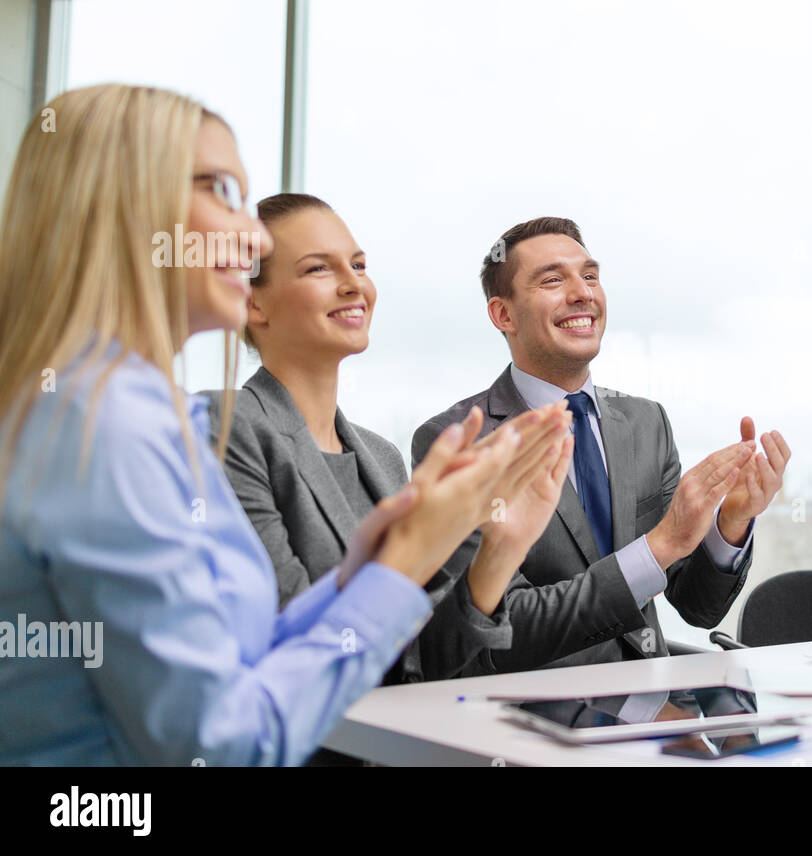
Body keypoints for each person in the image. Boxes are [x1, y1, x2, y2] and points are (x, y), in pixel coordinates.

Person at [0, 84, 567, 765]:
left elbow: (247, 657)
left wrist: (377, 566)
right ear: (120, 206)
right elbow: (225, 741)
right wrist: (408, 558)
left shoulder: (139, 412)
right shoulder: (105, 427)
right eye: (219, 189)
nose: (254, 235)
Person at [208, 194, 573, 763]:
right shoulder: (227, 428)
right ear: (254, 304)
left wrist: (500, 549)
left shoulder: (380, 457)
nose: (355, 284)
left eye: (357, 264)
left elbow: (421, 660)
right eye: (318, 268)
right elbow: (294, 649)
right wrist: (424, 538)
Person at [412, 217, 789, 677]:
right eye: (553, 280)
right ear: (503, 315)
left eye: (590, 276)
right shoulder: (458, 442)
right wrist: (659, 545)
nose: (582, 293)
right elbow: (499, 632)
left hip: (654, 709)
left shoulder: (647, 422)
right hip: (532, 715)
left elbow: (698, 609)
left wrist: (730, 523)